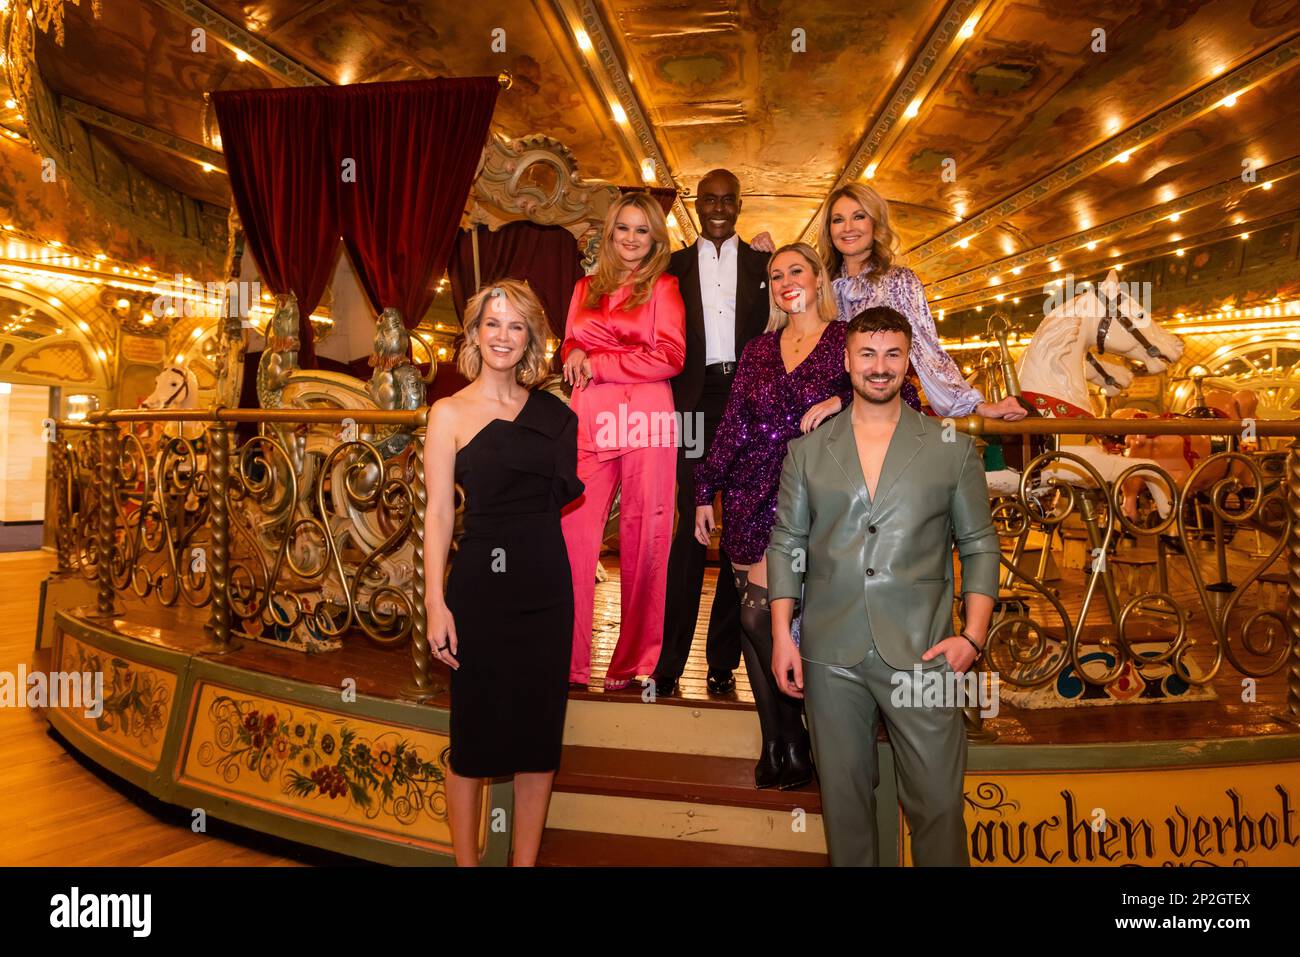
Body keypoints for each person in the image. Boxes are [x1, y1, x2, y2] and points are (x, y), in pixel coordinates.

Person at [767, 306, 1001, 866]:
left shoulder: (951, 447)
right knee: (846, 807)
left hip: (924, 654)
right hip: (830, 654)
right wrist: (782, 634)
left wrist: (971, 637)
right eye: (867, 354)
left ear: (907, 362)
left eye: (893, 354)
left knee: (940, 804)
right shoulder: (806, 452)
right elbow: (786, 544)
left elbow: (979, 545)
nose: (880, 367)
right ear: (846, 361)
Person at [424, 279, 583, 867]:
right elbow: (438, 512)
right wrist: (434, 603)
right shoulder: (448, 413)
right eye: (493, 323)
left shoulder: (554, 414)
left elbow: (561, 498)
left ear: (531, 339)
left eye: (516, 326)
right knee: (473, 742)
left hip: (545, 585)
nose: (503, 336)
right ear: (474, 333)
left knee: (539, 743)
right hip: (479, 591)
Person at [693, 242, 849, 790]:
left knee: (762, 616)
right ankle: (776, 743)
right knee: (752, 621)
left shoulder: (845, 340)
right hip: (746, 492)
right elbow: (734, 421)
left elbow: (900, 394)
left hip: (807, 496)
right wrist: (704, 489)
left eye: (796, 271)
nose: (786, 281)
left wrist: (843, 401)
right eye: (776, 274)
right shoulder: (759, 347)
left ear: (818, 277)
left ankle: (798, 735)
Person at [655, 168, 774, 698]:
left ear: (740, 204)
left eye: (729, 199)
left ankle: (722, 660)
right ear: (695, 205)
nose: (719, 207)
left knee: (741, 535)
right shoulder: (671, 266)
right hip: (694, 408)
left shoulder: (765, 265)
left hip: (746, 403)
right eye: (710, 199)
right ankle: (668, 662)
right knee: (687, 533)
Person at [560, 192, 686, 691]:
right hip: (589, 415)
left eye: (642, 231)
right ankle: (569, 660)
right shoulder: (584, 287)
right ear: (610, 234)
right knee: (573, 539)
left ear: (655, 238)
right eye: (623, 229)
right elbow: (571, 338)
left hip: (646, 418)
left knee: (645, 539)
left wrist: (598, 362)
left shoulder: (665, 285)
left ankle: (632, 661)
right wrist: (572, 352)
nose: (632, 239)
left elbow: (672, 355)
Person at [820, 183, 1026, 420]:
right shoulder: (821, 287)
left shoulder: (898, 281)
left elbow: (926, 351)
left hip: (886, 409)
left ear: (875, 224)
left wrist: (974, 405)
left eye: (858, 217)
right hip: (830, 413)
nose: (848, 228)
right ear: (828, 230)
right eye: (837, 220)